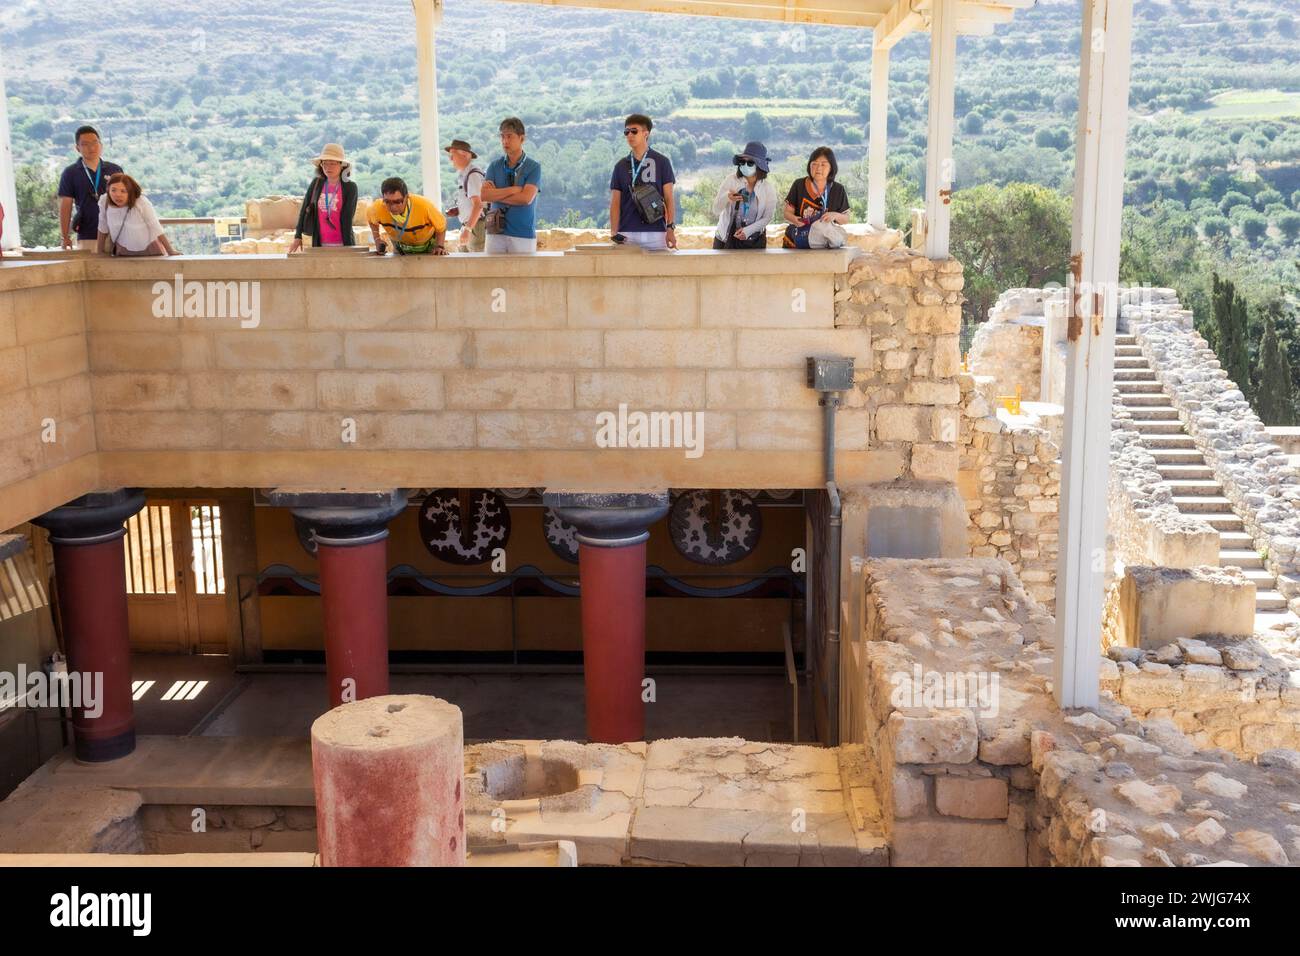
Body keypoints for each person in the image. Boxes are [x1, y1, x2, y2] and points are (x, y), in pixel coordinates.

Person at [609, 114, 676, 250]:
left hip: (657, 233)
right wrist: (614, 233)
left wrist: (670, 228)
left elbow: (669, 198)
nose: (630, 135)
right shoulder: (620, 166)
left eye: (634, 131)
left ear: (646, 134)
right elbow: (615, 203)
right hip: (627, 233)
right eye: (626, 132)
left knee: (660, 272)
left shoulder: (662, 162)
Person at [480, 118, 542, 254]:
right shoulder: (494, 166)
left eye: (509, 136)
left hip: (522, 234)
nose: (505, 141)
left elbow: (525, 199)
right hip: (495, 233)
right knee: (492, 274)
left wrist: (496, 194)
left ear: (522, 138)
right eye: (502, 137)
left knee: (523, 275)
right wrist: (513, 190)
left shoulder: (533, 167)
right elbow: (484, 195)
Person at [57, 125, 123, 250]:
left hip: (116, 234)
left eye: (94, 142)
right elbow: (66, 206)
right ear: (77, 148)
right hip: (88, 234)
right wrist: (65, 236)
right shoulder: (70, 173)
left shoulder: (115, 169)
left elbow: (127, 199)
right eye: (85, 144)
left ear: (101, 145)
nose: (91, 147)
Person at [289, 143, 359, 252]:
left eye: (332, 163)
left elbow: (348, 219)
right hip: (320, 244)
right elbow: (304, 210)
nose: (328, 167)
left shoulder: (350, 187)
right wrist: (298, 236)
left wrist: (349, 248)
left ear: (342, 165)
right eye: (324, 163)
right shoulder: (316, 183)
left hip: (344, 244)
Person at [710, 141, 775, 249]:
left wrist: (748, 231)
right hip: (725, 240)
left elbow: (767, 217)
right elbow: (716, 209)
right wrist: (727, 197)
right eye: (742, 162)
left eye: (750, 163)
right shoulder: (731, 180)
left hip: (755, 243)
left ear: (759, 166)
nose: (745, 165)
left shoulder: (768, 188)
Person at [782, 146, 851, 249]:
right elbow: (787, 213)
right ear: (809, 166)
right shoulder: (799, 184)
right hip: (798, 239)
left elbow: (845, 219)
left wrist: (834, 215)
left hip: (821, 244)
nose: (818, 168)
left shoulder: (838, 189)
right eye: (814, 164)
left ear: (831, 167)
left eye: (823, 164)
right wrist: (795, 220)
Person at [95, 173, 178, 257]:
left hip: (149, 248)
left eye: (123, 191)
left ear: (130, 192)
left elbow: (155, 226)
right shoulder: (104, 201)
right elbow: (102, 227)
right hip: (123, 249)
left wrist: (170, 250)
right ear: (108, 190)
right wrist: (99, 252)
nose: (118, 195)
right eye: (113, 190)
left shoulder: (141, 201)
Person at [367, 177, 448, 255]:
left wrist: (439, 246)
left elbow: (441, 227)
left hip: (427, 244)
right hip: (400, 246)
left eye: (398, 201)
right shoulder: (377, 208)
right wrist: (377, 239)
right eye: (387, 201)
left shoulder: (424, 206)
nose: (392, 207)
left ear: (407, 197)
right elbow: (371, 221)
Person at [444, 139, 487, 253]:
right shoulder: (466, 174)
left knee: (476, 267)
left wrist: (467, 229)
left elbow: (478, 205)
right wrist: (459, 210)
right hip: (471, 226)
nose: (450, 158)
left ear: (464, 154)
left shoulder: (473, 175)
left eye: (452, 154)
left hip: (474, 227)